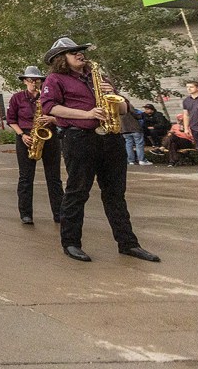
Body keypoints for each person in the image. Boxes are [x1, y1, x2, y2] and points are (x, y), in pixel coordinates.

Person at [40, 37, 159, 263]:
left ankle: (128, 243)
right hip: (79, 138)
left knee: (116, 194)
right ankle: (71, 243)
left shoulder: (97, 76)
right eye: (73, 52)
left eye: (80, 51)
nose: (80, 54)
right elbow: (50, 107)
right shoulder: (55, 79)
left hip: (111, 139)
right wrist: (87, 114)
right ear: (60, 59)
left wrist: (113, 92)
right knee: (77, 192)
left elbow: (124, 108)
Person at [5, 66, 62, 225]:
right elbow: (11, 120)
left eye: (37, 80)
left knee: (54, 178)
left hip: (49, 135)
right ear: (24, 81)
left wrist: (51, 119)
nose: (34, 83)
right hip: (26, 137)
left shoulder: (49, 97)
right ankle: (26, 214)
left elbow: (62, 117)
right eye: (30, 80)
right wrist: (22, 135)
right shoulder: (17, 98)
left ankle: (59, 213)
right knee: (25, 177)